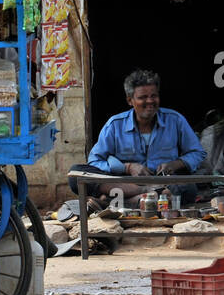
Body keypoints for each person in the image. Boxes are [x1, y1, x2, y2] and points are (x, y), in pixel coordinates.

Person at [67, 69, 206, 206]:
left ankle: (116, 202)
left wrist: (175, 164)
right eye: (143, 97)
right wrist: (127, 167)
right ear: (130, 100)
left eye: (154, 96)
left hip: (163, 182)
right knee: (76, 174)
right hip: (124, 183)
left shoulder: (175, 120)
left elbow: (198, 153)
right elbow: (95, 161)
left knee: (188, 188)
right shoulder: (115, 125)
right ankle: (144, 194)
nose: (150, 101)